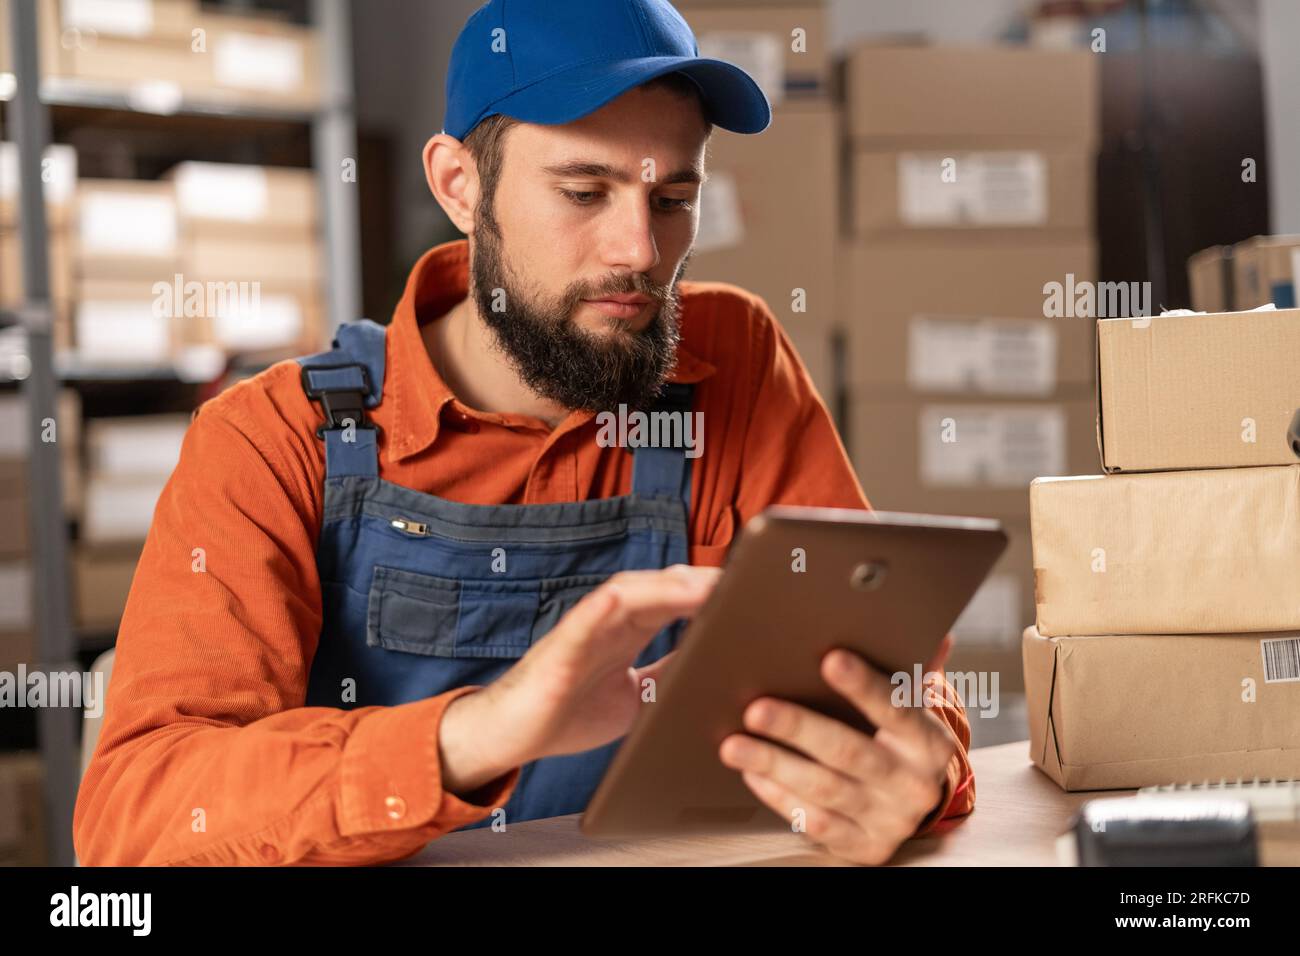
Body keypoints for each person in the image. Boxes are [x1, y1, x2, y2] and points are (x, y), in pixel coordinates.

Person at [74, 0, 974, 866]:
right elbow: (137, 817)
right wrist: (478, 732)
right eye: (585, 191)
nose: (640, 252)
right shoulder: (270, 438)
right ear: (460, 186)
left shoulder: (733, 362)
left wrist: (919, 769)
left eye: (672, 199)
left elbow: (889, 679)